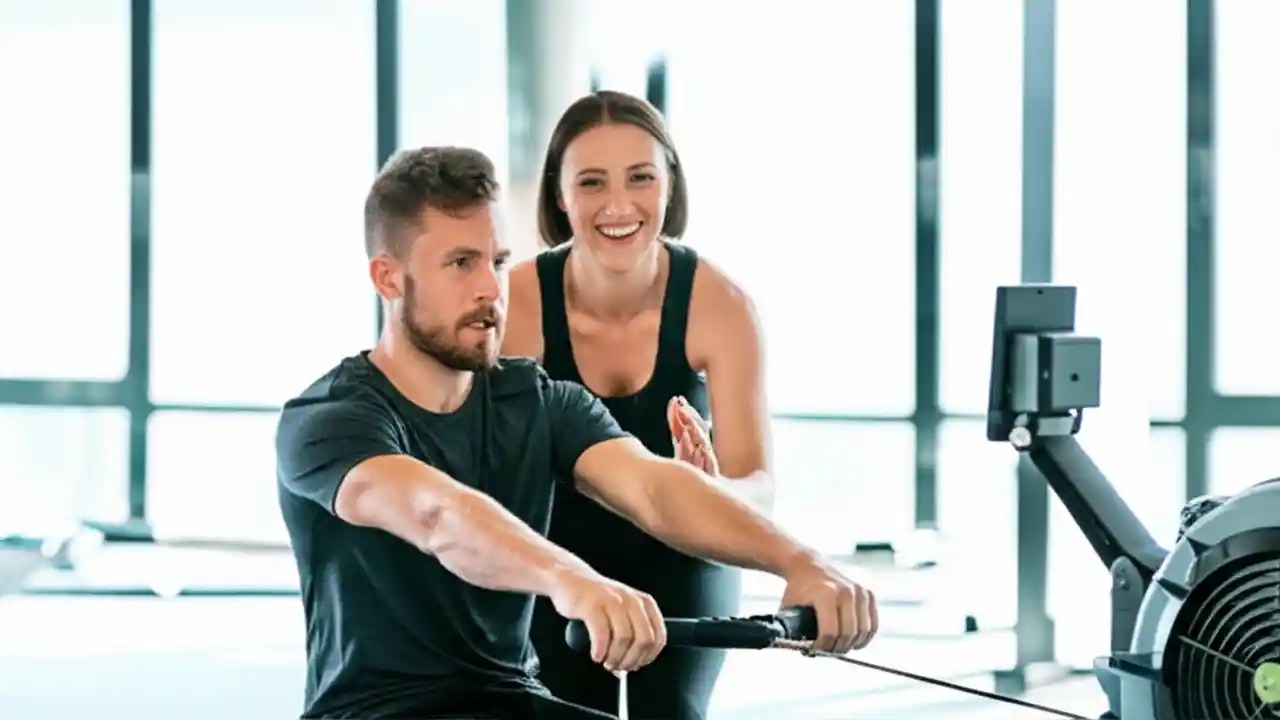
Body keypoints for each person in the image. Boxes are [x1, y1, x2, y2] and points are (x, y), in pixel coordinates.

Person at [275, 145, 878, 720]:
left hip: (513, 699)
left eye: (499, 261)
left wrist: (800, 562)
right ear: (388, 277)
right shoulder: (330, 419)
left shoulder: (537, 401)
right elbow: (438, 516)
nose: (490, 288)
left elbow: (655, 489)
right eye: (461, 263)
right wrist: (574, 580)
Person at [503, 90, 775, 719]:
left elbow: (758, 489)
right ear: (560, 194)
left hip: (683, 555)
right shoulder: (516, 304)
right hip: (559, 559)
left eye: (641, 178)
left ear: (670, 185)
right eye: (591, 182)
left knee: (674, 710)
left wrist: (710, 490)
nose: (618, 205)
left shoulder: (721, 304)